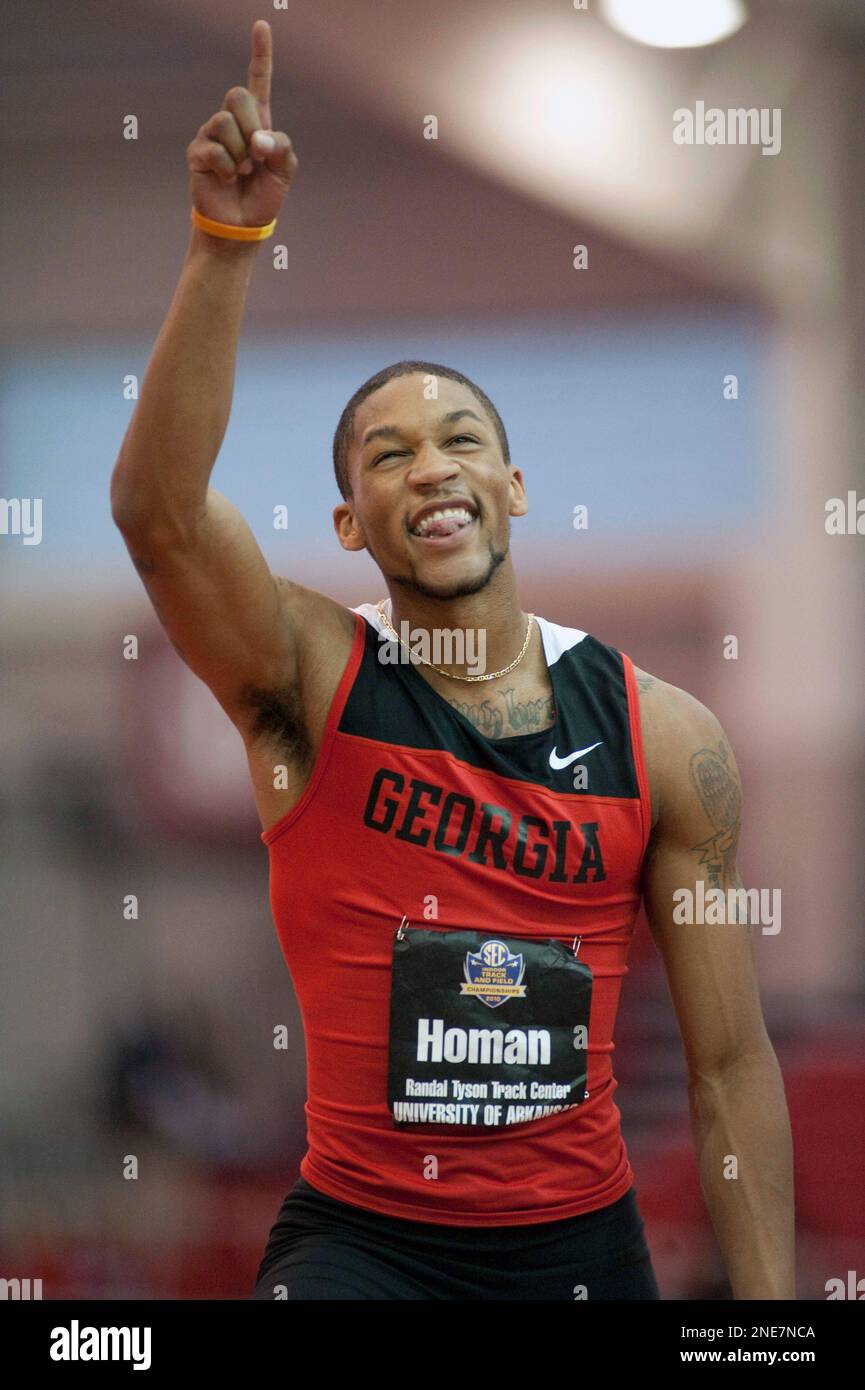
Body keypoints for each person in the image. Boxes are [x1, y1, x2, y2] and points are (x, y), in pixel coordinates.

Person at [110, 19, 795, 1300]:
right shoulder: (308, 682)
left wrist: (762, 1325)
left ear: (514, 486)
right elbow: (157, 514)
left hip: (579, 1251)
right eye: (386, 454)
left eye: (461, 438)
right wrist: (224, 246)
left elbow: (731, 1066)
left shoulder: (668, 738)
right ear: (346, 523)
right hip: (366, 1246)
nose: (430, 465)